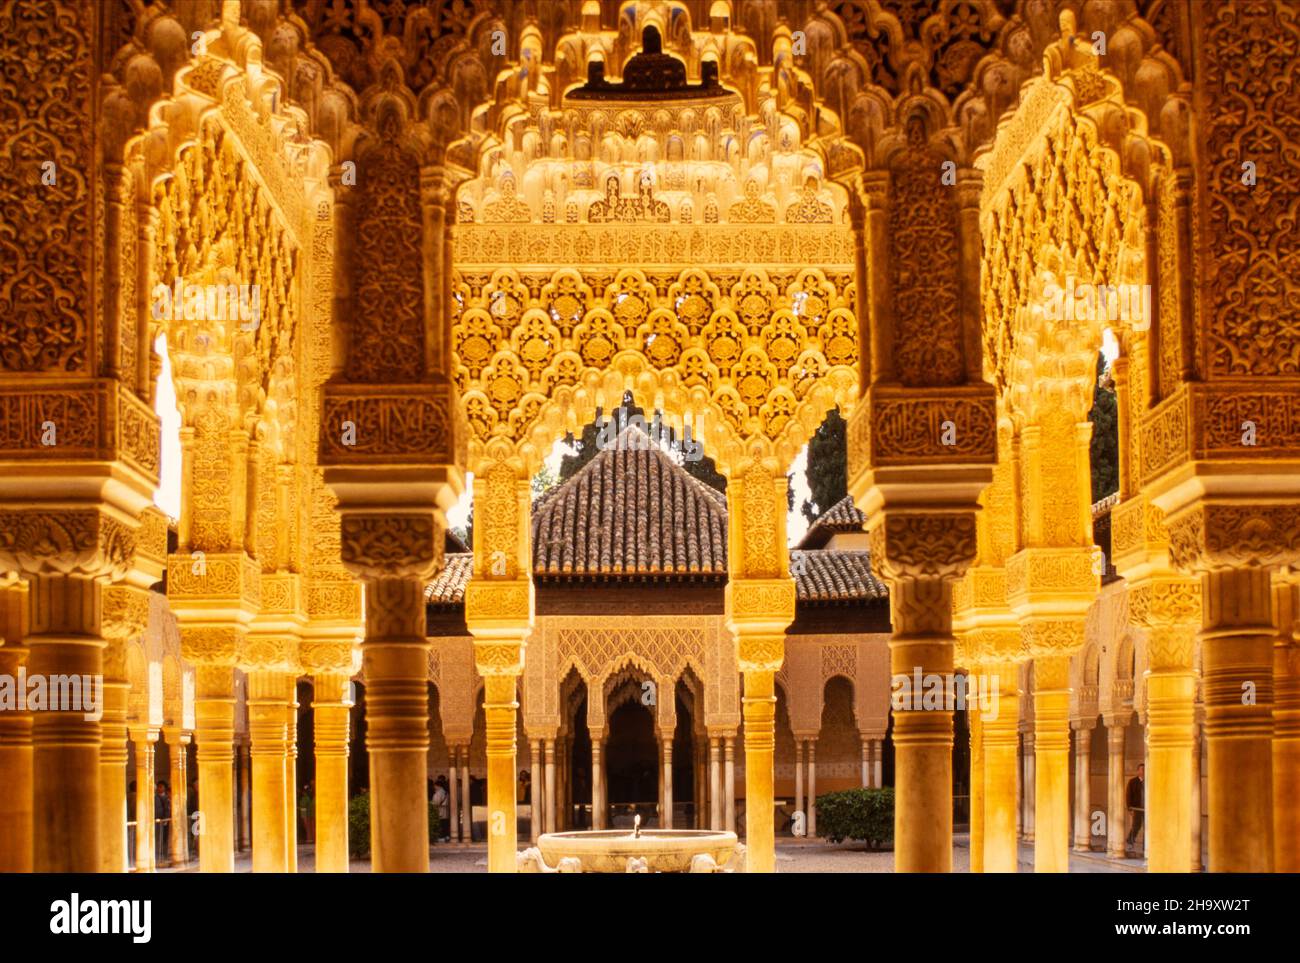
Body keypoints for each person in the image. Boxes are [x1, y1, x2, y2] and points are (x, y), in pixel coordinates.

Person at [1125, 763, 1145, 855]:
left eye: (1145, 769)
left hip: (1146, 809)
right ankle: (1130, 841)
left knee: (1147, 827)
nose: (1144, 771)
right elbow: (1128, 795)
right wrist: (1130, 808)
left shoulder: (1149, 781)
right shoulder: (1132, 781)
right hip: (1137, 808)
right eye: (1142, 769)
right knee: (1136, 826)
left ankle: (1146, 846)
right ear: (1138, 771)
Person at [155, 780, 171, 863]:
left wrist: (165, 819)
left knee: (164, 837)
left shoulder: (166, 798)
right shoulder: (156, 796)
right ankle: (159, 853)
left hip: (164, 821)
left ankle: (163, 853)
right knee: (158, 837)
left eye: (161, 786)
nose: (159, 788)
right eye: (158, 786)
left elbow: (167, 809)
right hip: (158, 821)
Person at [432, 775, 450, 843]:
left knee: (441, 824)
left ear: (438, 786)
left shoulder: (439, 793)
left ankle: (441, 838)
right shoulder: (445, 792)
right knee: (445, 824)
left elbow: (436, 802)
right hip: (445, 811)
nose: (434, 787)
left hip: (440, 811)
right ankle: (446, 836)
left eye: (435, 786)